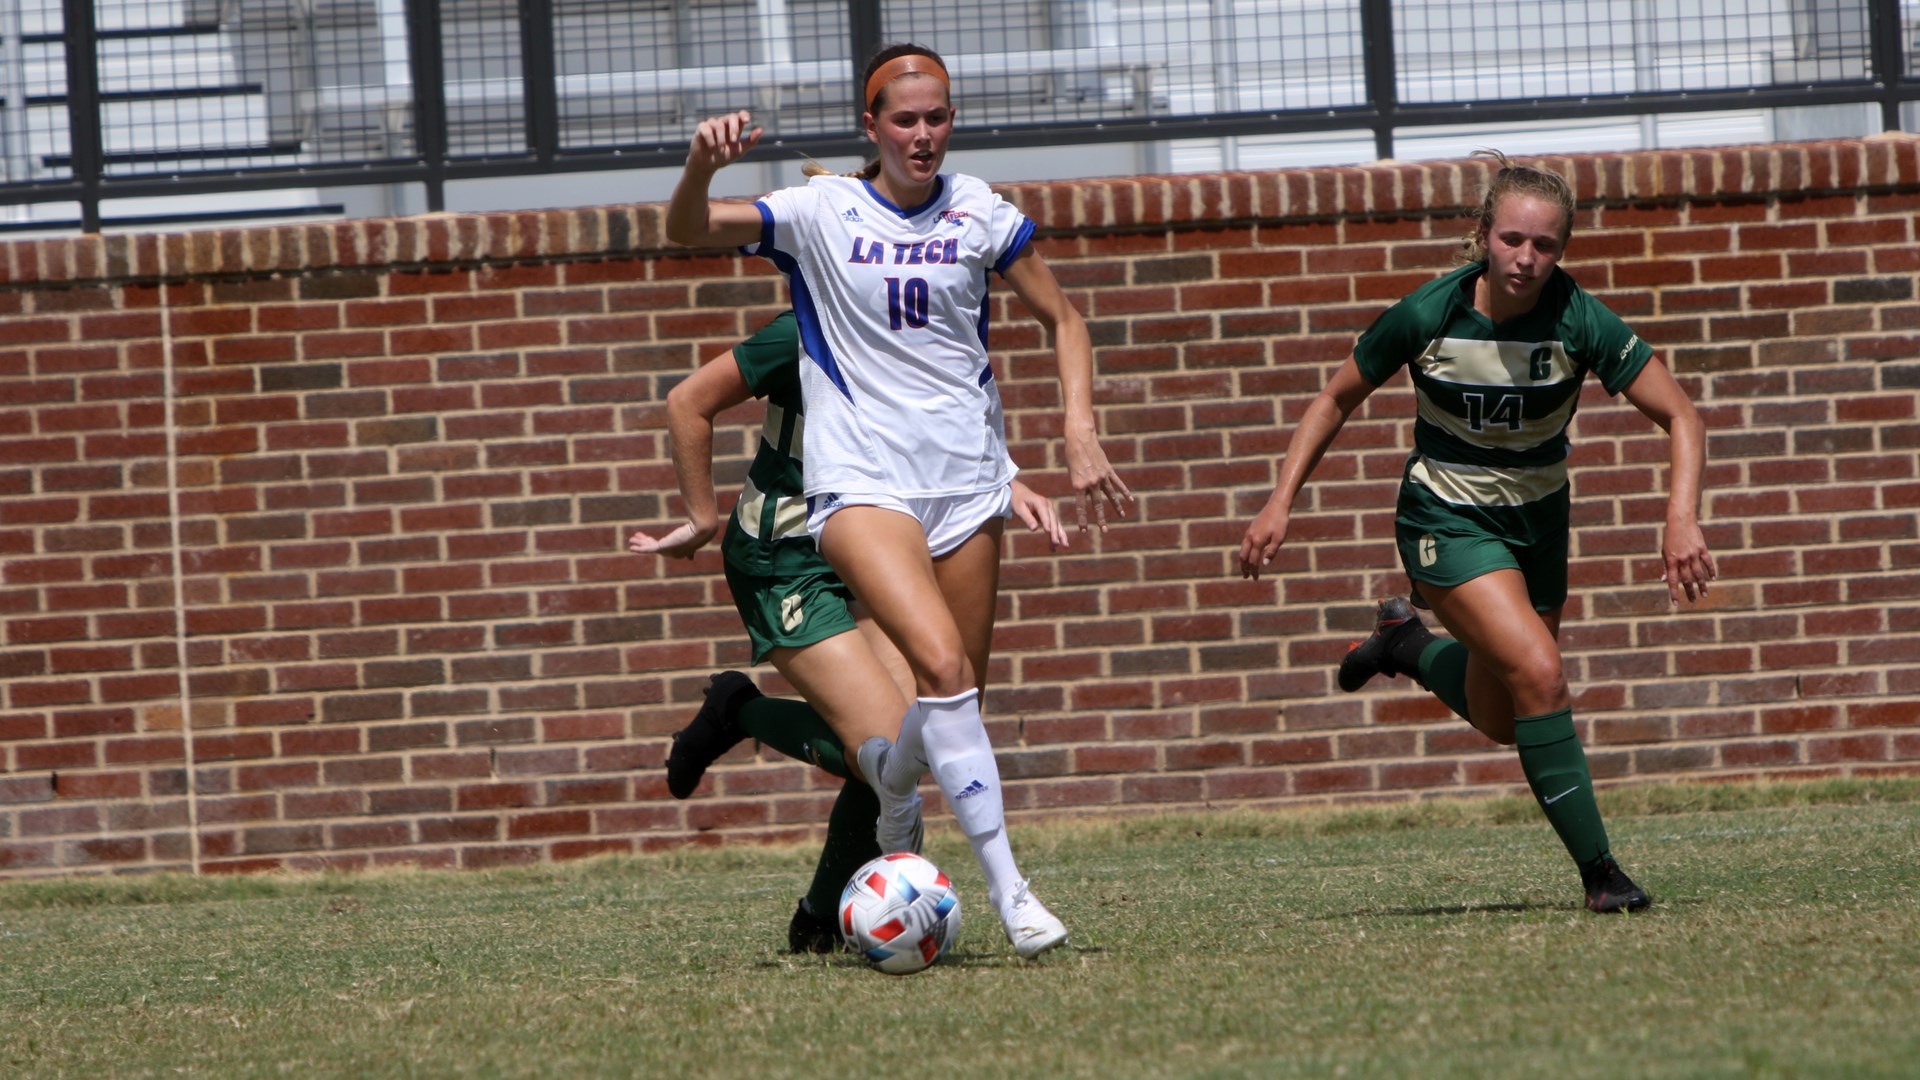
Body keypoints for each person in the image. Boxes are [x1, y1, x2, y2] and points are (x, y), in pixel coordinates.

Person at [665, 42, 1132, 959]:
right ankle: (1012, 891)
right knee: (944, 665)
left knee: (949, 701)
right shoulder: (819, 213)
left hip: (968, 488)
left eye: (939, 118)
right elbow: (689, 230)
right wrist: (699, 166)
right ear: (871, 126)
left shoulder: (979, 211)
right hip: (858, 489)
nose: (924, 135)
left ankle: (891, 794)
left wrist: (1074, 431)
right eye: (905, 119)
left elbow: (1064, 320)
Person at [1237, 151, 1716, 913]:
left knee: (1504, 715)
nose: (1527, 259)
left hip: (1537, 524)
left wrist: (1680, 516)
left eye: (1546, 245)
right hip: (1444, 518)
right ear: (1483, 235)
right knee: (1542, 676)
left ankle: (1403, 643)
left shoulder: (1579, 320)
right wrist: (1279, 501)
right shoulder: (1431, 312)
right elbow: (1335, 398)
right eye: (1513, 240)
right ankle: (1602, 875)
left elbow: (1680, 414)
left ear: (1563, 250)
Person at [629, 311, 1066, 953]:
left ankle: (819, 917)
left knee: (914, 736)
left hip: (875, 545)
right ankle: (740, 710)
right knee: (887, 749)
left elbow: (936, 429)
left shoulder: (919, 321)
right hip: (785, 558)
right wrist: (700, 519)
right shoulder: (801, 330)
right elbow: (687, 401)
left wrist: (1008, 482)